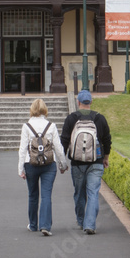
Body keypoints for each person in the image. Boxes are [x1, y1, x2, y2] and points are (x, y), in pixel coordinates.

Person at [60, 89, 112, 235]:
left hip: (77, 163)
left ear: (78, 102)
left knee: (79, 193)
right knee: (93, 193)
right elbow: (107, 140)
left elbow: (64, 141)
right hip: (96, 161)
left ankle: (81, 220)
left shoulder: (71, 118)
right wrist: (106, 157)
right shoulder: (99, 118)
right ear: (91, 102)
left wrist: (62, 161)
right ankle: (90, 224)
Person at [18, 98, 68, 236]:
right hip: (49, 164)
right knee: (46, 195)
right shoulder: (51, 126)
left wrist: (20, 169)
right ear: (44, 110)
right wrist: (62, 164)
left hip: (30, 164)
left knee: (33, 195)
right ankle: (45, 225)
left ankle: (33, 224)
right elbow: (58, 147)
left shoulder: (26, 126)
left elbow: (22, 149)